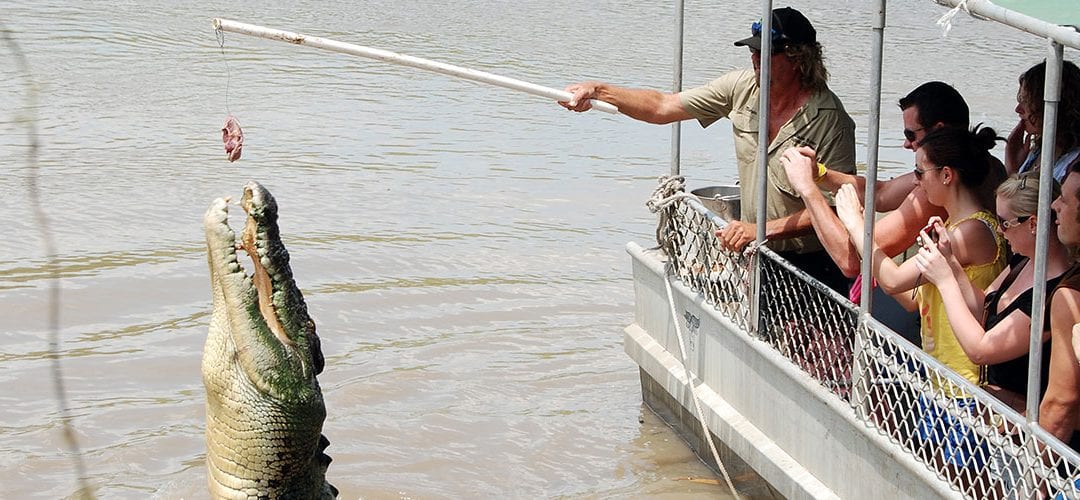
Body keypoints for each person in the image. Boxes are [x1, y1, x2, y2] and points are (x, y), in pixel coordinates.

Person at [559, 7, 856, 294]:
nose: (755, 59)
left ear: (798, 59)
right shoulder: (740, 88)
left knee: (814, 346)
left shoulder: (831, 120)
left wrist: (761, 230)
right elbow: (662, 107)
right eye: (753, 51)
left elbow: (834, 207)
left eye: (766, 53)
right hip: (761, 258)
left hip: (815, 265)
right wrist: (599, 91)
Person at [780, 82, 1005, 344]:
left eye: (911, 134)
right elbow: (882, 192)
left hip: (960, 363)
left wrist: (813, 193)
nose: (905, 144)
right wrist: (820, 173)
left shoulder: (955, 215)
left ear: (945, 173)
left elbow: (852, 260)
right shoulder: (976, 169)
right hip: (939, 340)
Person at [835, 125, 1007, 468]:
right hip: (942, 378)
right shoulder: (953, 227)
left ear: (946, 175)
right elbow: (912, 296)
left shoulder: (971, 230)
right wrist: (885, 269)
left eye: (919, 171)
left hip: (965, 385)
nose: (915, 182)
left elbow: (896, 279)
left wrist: (855, 225)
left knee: (962, 477)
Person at [913, 172, 1069, 412]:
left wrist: (944, 281)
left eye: (1005, 222)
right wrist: (951, 260)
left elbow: (981, 350)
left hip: (1020, 420)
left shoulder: (1052, 292)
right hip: (993, 408)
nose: (999, 229)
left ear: (1033, 224)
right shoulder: (1021, 262)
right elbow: (985, 310)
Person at [1044, 160, 1080, 449]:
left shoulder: (1071, 296)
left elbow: (1061, 402)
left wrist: (1034, 476)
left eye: (1065, 200)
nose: (1055, 205)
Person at [1006, 59, 1080, 181]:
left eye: (1026, 101)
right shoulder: (1039, 150)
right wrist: (1013, 168)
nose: (1018, 109)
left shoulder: (1073, 167)